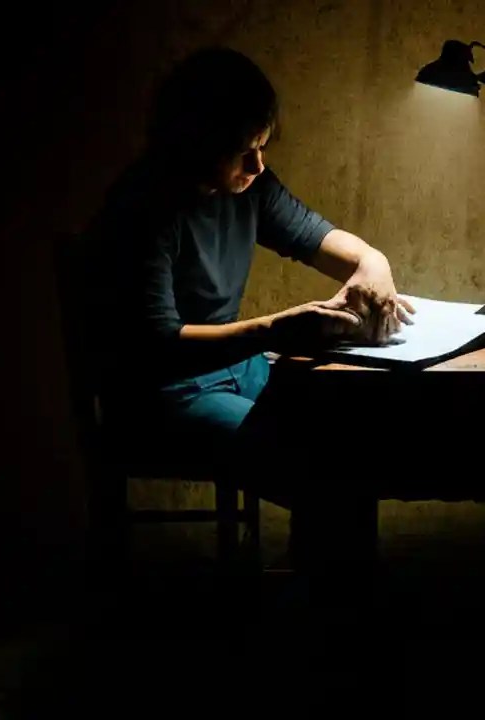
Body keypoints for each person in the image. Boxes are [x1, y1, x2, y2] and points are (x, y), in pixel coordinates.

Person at [83, 46, 413, 569]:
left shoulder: (250, 188)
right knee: (322, 470)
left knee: (355, 438)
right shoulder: (143, 208)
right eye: (244, 150)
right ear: (197, 143)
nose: (259, 165)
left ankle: (328, 602)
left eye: (262, 146)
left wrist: (373, 263)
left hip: (240, 370)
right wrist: (275, 330)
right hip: (162, 394)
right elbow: (158, 348)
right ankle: (318, 619)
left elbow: (316, 235)